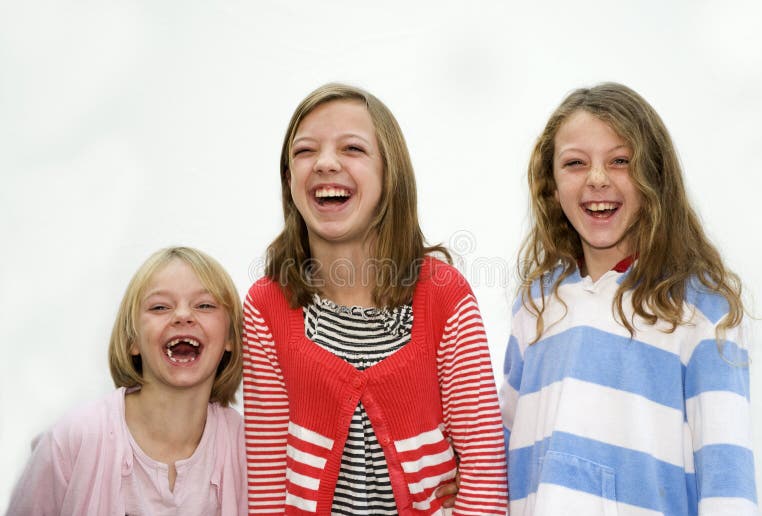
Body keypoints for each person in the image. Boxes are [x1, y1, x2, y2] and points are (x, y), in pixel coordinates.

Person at [242, 83, 508, 515]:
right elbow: (269, 481)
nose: (326, 163)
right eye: (305, 151)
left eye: (352, 148)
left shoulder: (445, 296)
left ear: (390, 174)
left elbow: (483, 471)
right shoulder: (265, 306)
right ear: (288, 179)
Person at [501, 82, 757, 515]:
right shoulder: (535, 305)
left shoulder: (699, 311)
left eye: (620, 161)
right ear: (551, 185)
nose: (597, 178)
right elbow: (501, 439)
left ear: (654, 176)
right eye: (575, 163)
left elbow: (726, 478)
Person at [6, 247, 247, 515]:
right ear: (132, 340)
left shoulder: (250, 451)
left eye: (204, 305)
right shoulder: (70, 440)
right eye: (159, 307)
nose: (182, 315)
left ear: (230, 338)